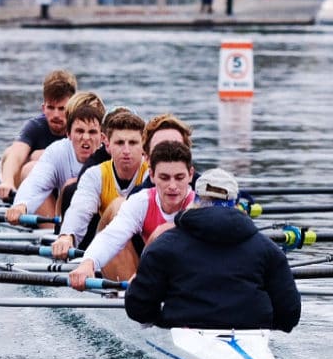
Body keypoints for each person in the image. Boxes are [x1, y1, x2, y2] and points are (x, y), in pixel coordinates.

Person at [124, 169, 301, 332]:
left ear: (196, 200)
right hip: (253, 334)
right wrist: (264, 326)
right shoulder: (269, 249)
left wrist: (162, 321)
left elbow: (138, 307)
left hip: (183, 332)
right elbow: (290, 314)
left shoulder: (164, 246)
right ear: (235, 204)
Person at [68, 140, 196, 288]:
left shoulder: (200, 206)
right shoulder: (141, 201)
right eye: (164, 178)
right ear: (152, 175)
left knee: (164, 232)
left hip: (189, 277)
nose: (172, 186)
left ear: (191, 175)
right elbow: (111, 237)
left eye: (179, 178)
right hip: (153, 273)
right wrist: (88, 262)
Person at [52, 109, 148, 257]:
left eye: (133, 143)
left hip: (144, 247)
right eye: (120, 142)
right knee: (119, 205)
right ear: (107, 144)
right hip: (107, 247)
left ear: (143, 145)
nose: (127, 150)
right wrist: (67, 236)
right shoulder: (95, 174)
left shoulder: (152, 173)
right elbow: (80, 209)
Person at [5, 93, 106, 224]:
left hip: (101, 222)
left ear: (102, 134)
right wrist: (20, 205)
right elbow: (36, 183)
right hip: (62, 216)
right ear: (69, 131)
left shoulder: (113, 151)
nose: (85, 137)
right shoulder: (58, 150)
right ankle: (51, 233)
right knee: (31, 169)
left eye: (92, 131)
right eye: (80, 129)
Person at [0, 69, 78, 201]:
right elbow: (15, 155)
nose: (56, 115)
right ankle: (14, 198)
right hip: (40, 190)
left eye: (62, 108)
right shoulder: (36, 126)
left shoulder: (81, 128)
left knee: (35, 158)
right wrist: (7, 182)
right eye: (51, 108)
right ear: (43, 108)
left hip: (72, 189)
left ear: (73, 108)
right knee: (9, 153)